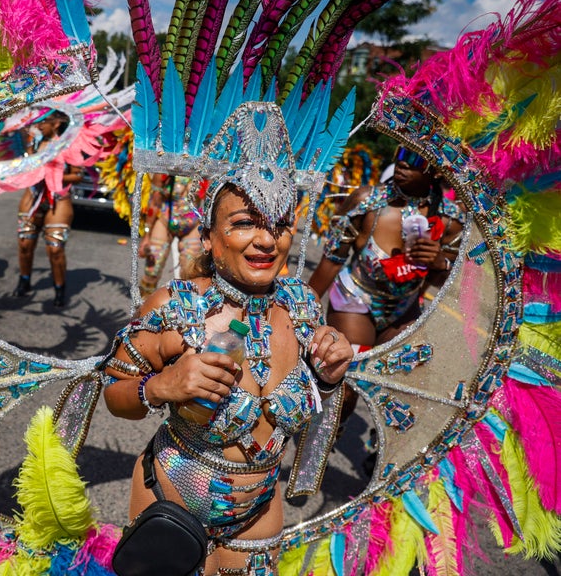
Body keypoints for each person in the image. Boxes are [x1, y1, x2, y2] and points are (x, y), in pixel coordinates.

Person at [100, 105, 354, 573]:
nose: (266, 240)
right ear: (210, 237)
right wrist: (161, 387)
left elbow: (309, 407)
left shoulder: (300, 307)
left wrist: (328, 374)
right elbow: (115, 396)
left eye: (278, 224)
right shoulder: (171, 306)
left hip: (259, 510)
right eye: (244, 223)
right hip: (171, 501)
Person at [308, 145, 465, 349]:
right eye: (400, 152)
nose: (403, 162)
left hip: (405, 308)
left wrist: (439, 262)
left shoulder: (451, 220)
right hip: (355, 299)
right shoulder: (366, 202)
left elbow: (452, 286)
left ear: (436, 171)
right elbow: (330, 262)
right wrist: (301, 312)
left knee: (400, 371)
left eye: (415, 158)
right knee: (352, 368)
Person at [12, 110, 83, 307]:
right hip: (32, 196)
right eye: (39, 120)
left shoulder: (69, 144)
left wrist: (51, 176)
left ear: (57, 123)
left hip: (58, 199)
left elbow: (78, 175)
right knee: (25, 243)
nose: (40, 124)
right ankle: (24, 281)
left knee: (55, 248)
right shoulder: (33, 142)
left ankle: (59, 288)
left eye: (45, 120)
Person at [137, 172, 203, 296]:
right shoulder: (165, 170)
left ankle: (184, 312)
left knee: (190, 273)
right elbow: (155, 203)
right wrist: (146, 236)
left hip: (192, 225)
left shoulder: (205, 168)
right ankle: (143, 308)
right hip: (164, 222)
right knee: (152, 271)